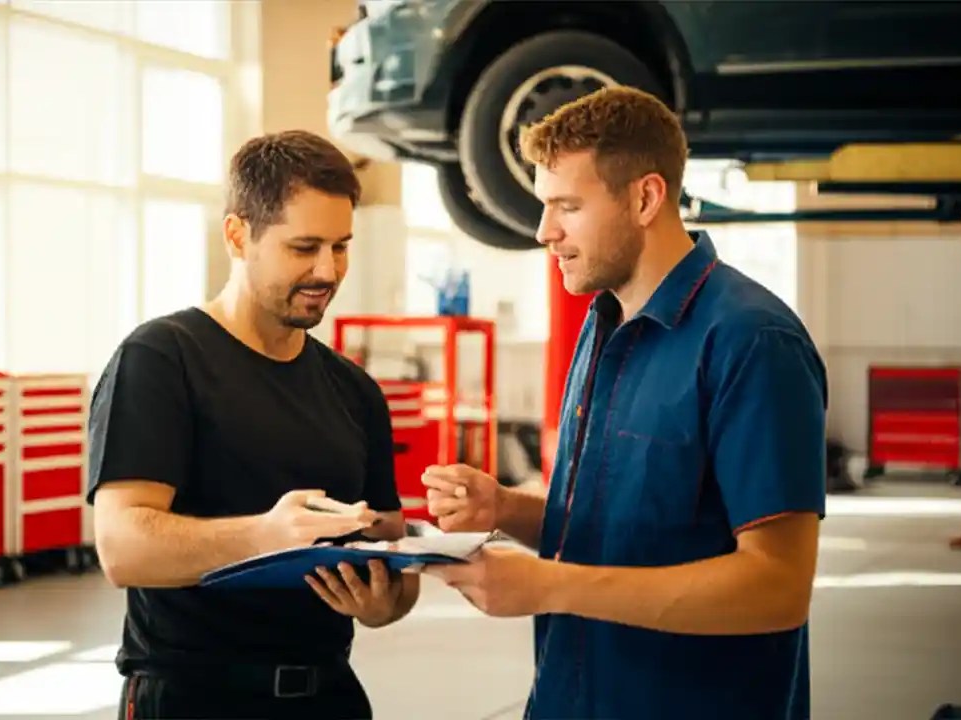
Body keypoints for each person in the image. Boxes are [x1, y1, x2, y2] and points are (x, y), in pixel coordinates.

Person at [422, 86, 827, 720]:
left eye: (567, 206)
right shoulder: (603, 323)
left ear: (645, 197)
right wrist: (505, 508)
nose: (543, 231)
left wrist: (552, 585)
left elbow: (778, 587)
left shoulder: (752, 343)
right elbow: (614, 527)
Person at [87, 129, 420, 720]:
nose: (328, 270)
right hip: (194, 698)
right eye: (304, 247)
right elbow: (122, 548)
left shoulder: (355, 390)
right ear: (238, 235)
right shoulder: (163, 359)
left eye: (341, 246)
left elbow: (390, 552)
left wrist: (383, 602)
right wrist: (266, 534)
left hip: (328, 696)